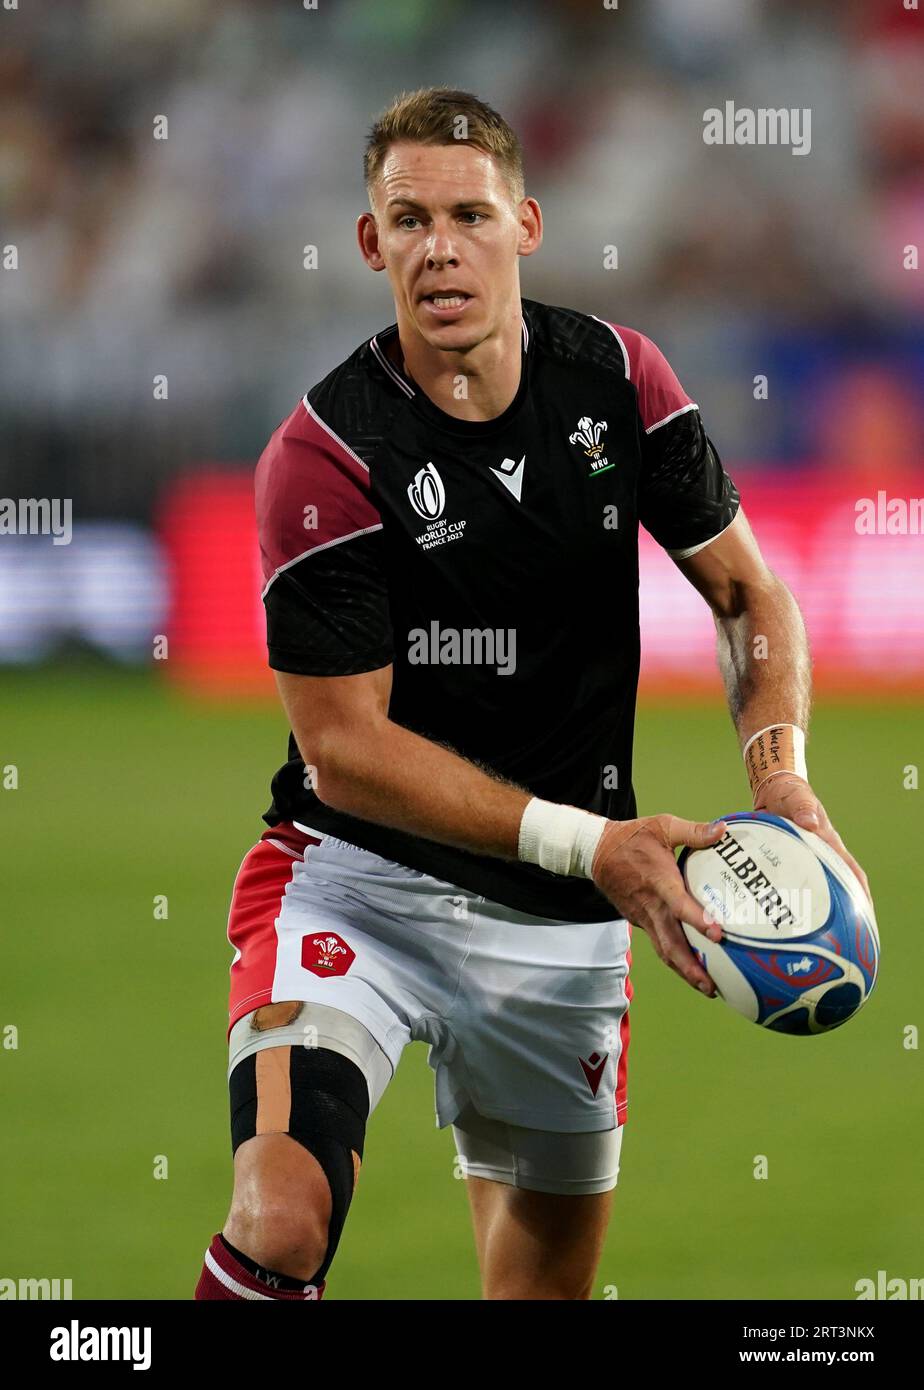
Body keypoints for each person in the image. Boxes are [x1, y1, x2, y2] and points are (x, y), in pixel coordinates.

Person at [195, 87, 868, 1302]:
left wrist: (781, 775)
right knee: (280, 1215)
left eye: (468, 214)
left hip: (561, 922)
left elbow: (747, 597)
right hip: (358, 881)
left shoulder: (617, 378)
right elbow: (345, 750)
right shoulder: (325, 454)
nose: (439, 245)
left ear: (527, 225)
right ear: (371, 243)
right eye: (407, 220)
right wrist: (599, 841)